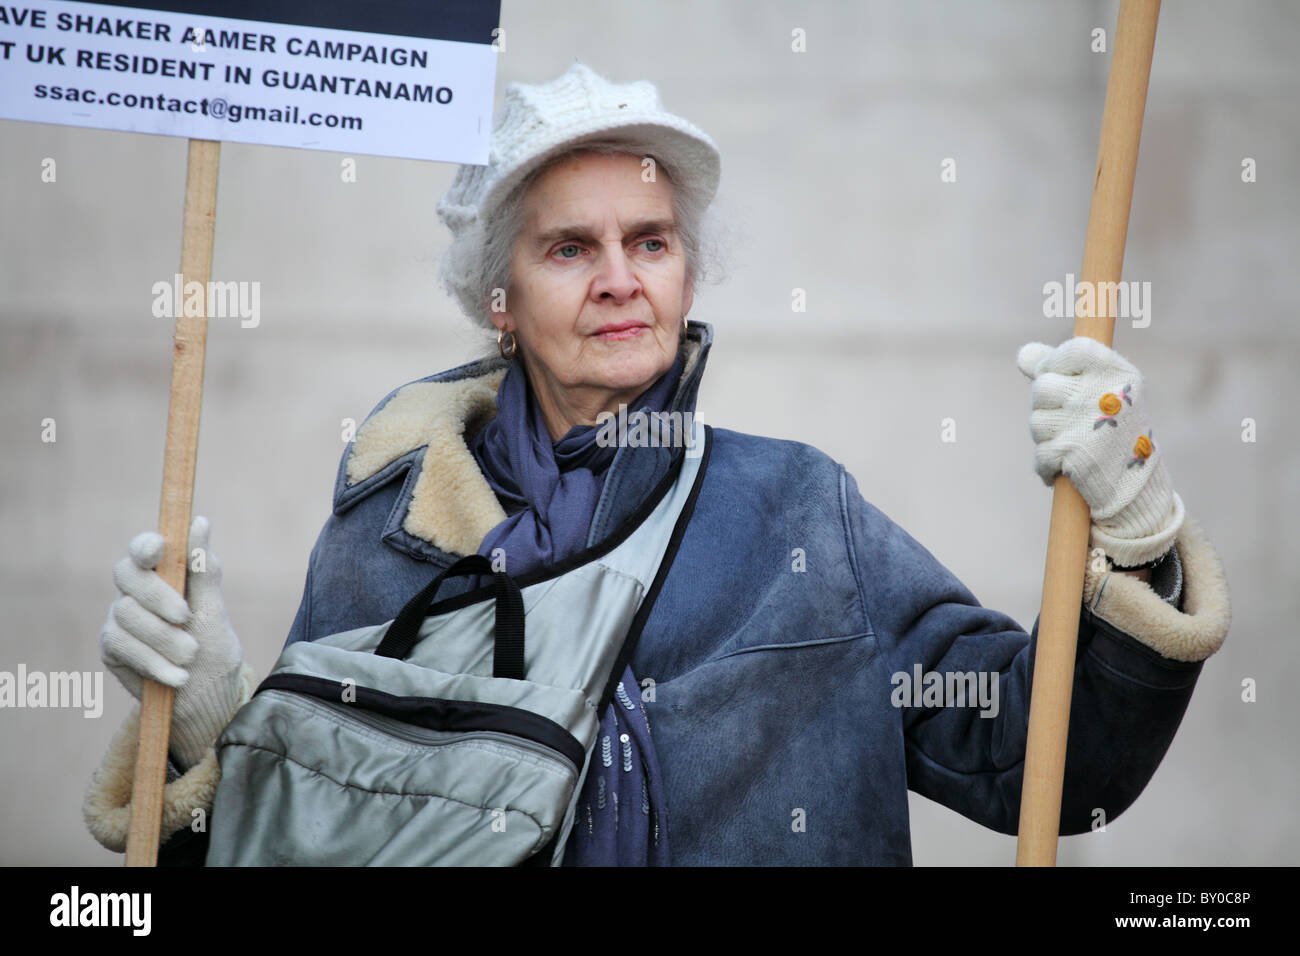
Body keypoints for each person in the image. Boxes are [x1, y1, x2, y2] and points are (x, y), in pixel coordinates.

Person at [85, 60, 1232, 866]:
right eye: (568, 247)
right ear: (500, 298)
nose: (619, 277)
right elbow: (300, 843)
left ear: (687, 274)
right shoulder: (391, 527)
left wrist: (1134, 530)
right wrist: (216, 716)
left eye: (650, 241)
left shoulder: (800, 506)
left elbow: (1048, 764)